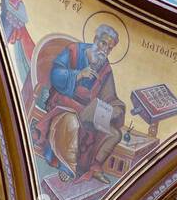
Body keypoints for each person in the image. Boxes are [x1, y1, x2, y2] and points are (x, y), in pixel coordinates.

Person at [34, 25, 125, 184]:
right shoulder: (74, 51)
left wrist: (116, 109)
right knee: (72, 121)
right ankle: (67, 166)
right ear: (95, 39)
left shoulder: (105, 67)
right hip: (64, 102)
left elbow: (110, 96)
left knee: (115, 133)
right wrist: (77, 75)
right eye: (103, 43)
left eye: (109, 48)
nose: (105, 50)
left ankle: (94, 168)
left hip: (87, 111)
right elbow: (55, 75)